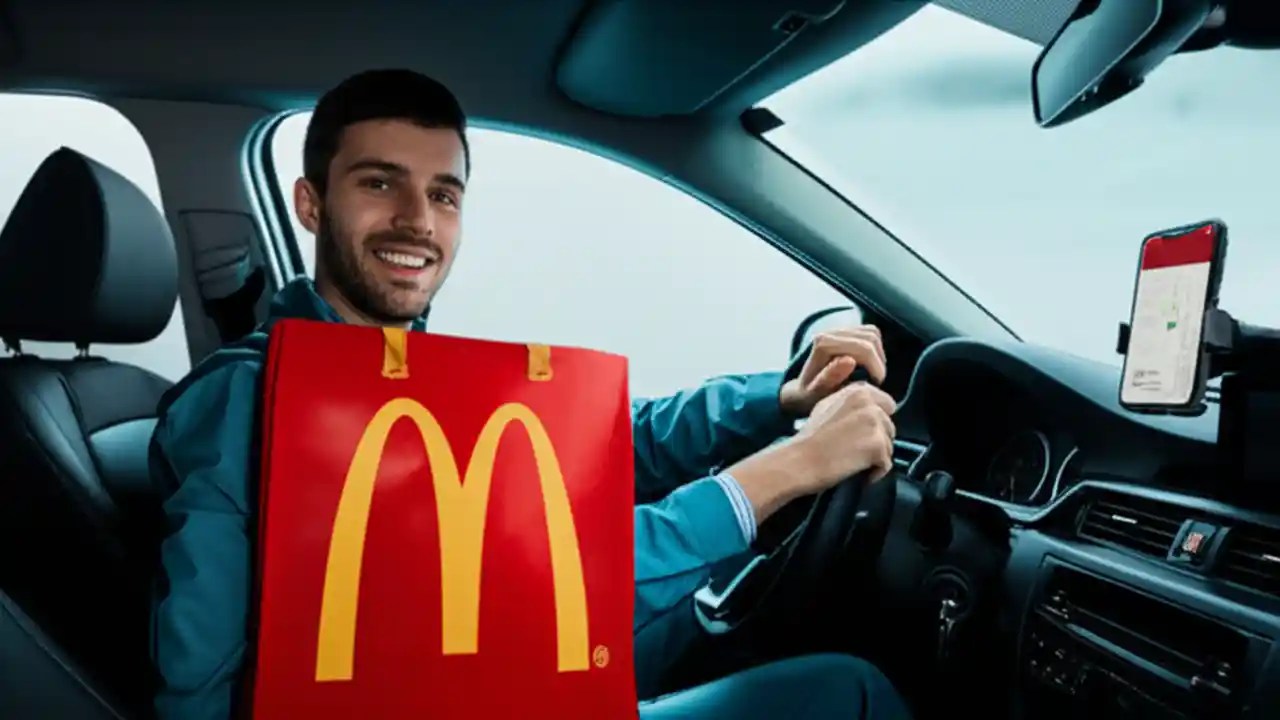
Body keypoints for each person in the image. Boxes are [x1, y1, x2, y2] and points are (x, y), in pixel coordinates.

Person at [149, 68, 911, 720]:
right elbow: (197, 684)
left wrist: (777, 399)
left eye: (444, 195)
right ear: (311, 205)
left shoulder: (411, 372)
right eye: (380, 183)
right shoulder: (250, 400)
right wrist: (792, 469)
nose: (417, 221)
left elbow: (611, 444)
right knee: (851, 693)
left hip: (497, 689)